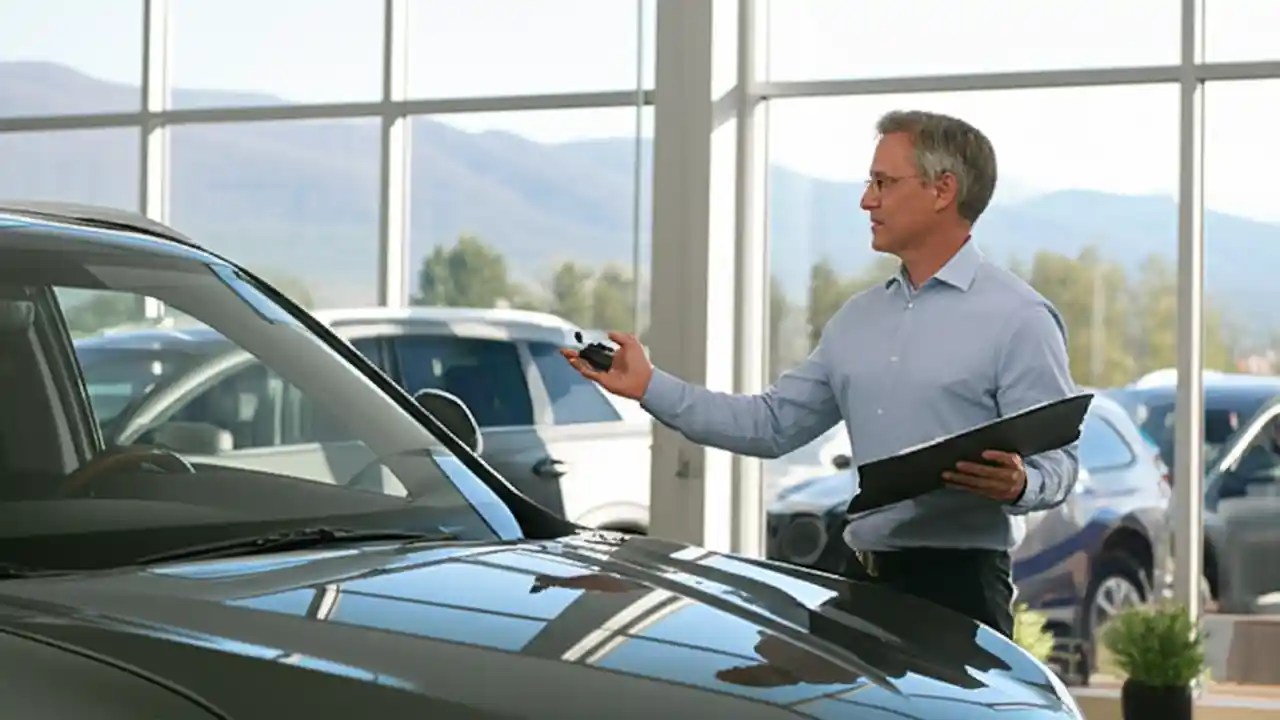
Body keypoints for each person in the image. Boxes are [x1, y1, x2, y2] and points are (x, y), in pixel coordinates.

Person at [562, 109, 1079, 638]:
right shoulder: (856, 320)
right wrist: (649, 385)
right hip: (859, 580)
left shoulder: (1020, 319)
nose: (867, 200)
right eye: (869, 183)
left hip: (960, 592)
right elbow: (770, 425)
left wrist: (1020, 483)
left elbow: (1059, 463)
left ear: (942, 189)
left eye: (884, 182)